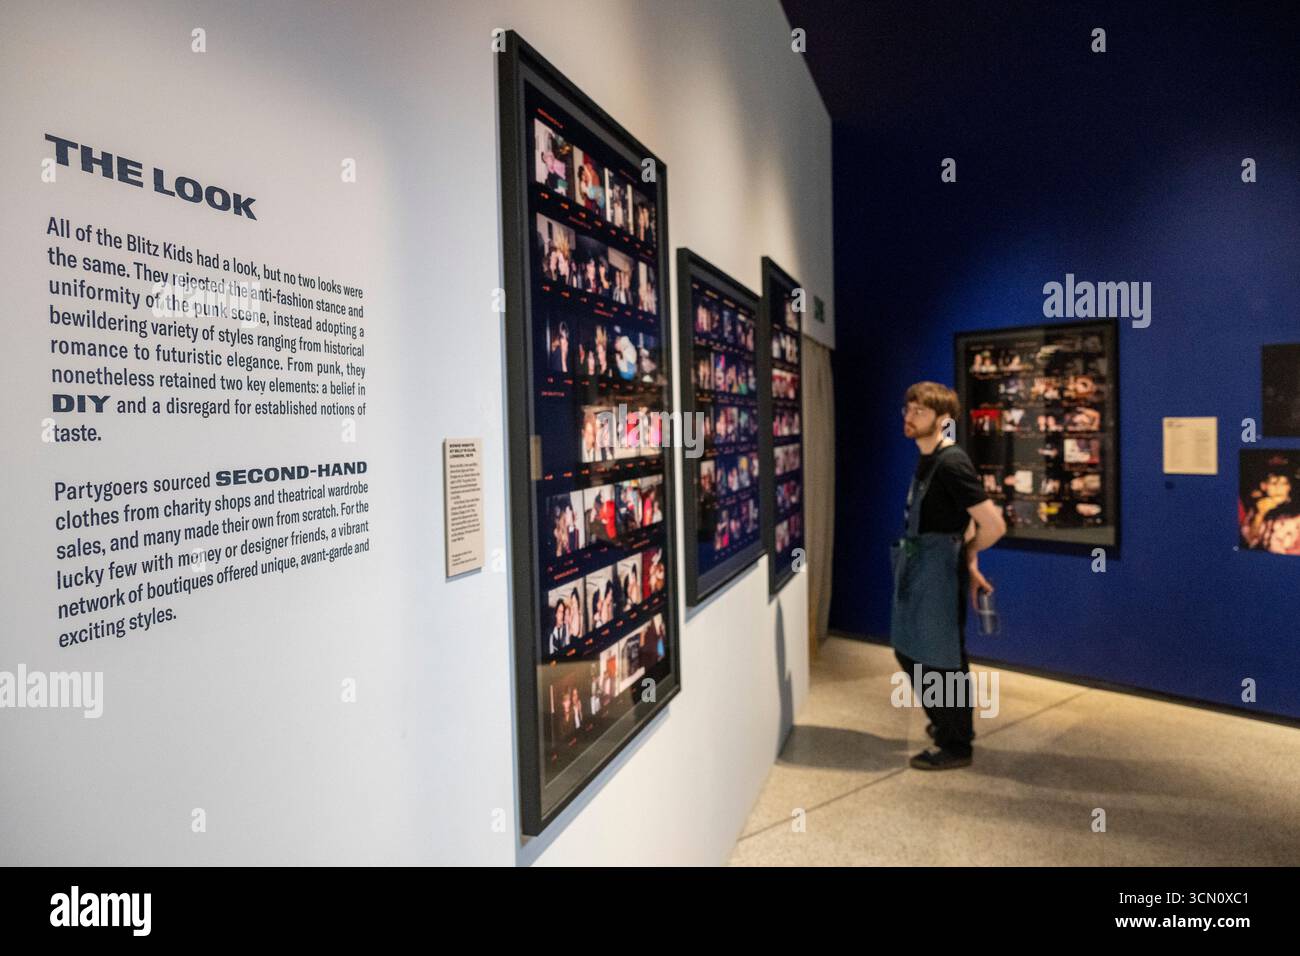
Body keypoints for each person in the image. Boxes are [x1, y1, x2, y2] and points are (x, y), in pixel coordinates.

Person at [892, 381, 1005, 770]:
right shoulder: (927, 458)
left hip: (938, 570)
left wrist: (966, 557)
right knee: (911, 650)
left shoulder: (952, 462)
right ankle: (946, 723)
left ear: (943, 420)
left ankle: (956, 743)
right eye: (907, 409)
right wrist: (969, 561)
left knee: (941, 657)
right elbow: (964, 522)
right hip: (924, 565)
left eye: (919, 412)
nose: (909, 417)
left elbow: (993, 524)